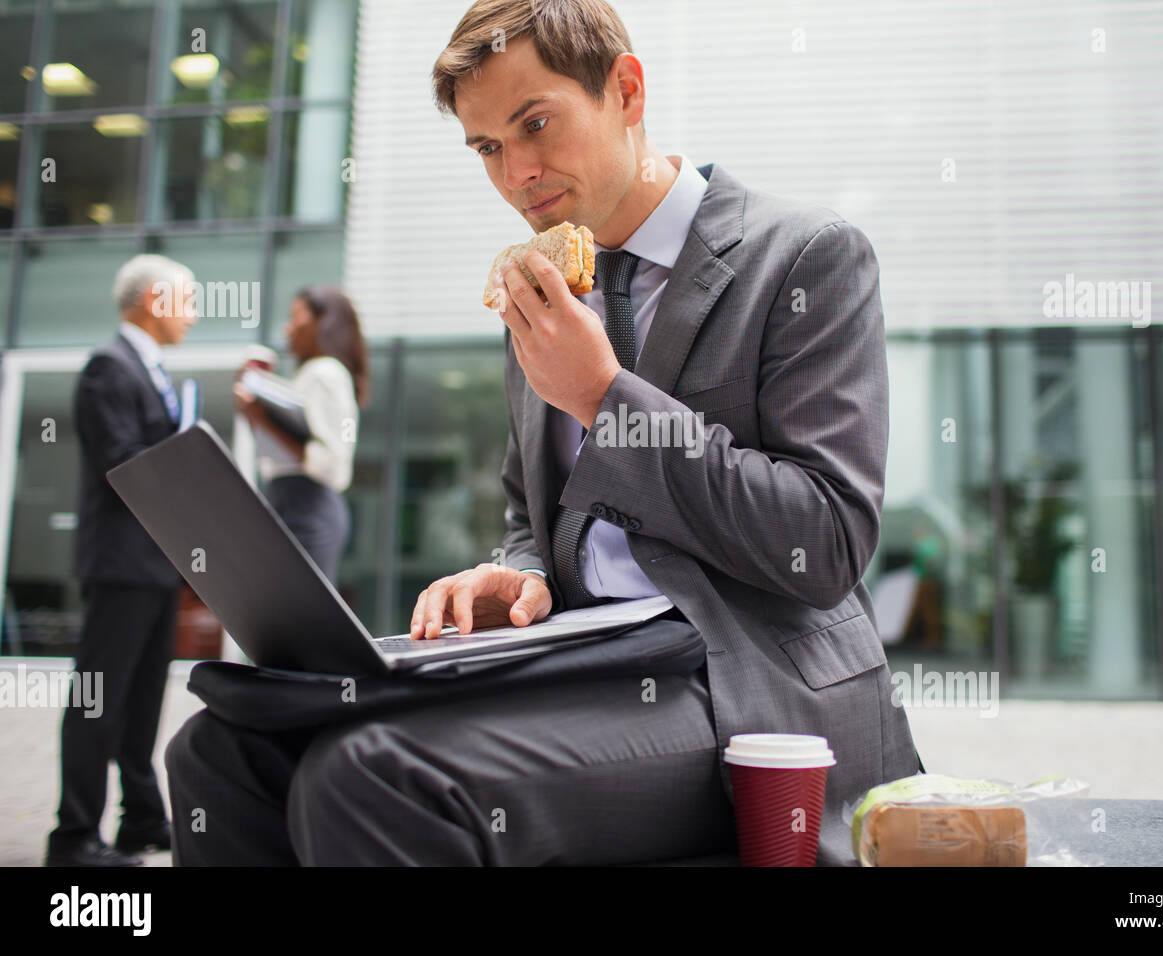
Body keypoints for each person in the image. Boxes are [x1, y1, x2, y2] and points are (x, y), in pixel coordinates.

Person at [164, 0, 921, 866]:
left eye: (535, 123)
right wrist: (518, 576)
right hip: (581, 660)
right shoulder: (537, 292)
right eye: (488, 147)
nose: (517, 171)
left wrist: (603, 396)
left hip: (744, 681)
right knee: (221, 752)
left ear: (625, 90)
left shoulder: (804, 256)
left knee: (372, 773)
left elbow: (824, 544)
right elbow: (535, 519)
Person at [46, 254, 198, 867]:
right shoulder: (109, 368)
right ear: (153, 300)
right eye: (186, 299)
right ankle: (74, 836)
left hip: (154, 563)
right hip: (121, 563)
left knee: (140, 702)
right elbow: (123, 461)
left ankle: (139, 819)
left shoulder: (151, 369)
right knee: (97, 699)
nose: (191, 313)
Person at [233, 286, 367, 585]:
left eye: (296, 317)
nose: (288, 327)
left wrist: (261, 417)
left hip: (308, 504)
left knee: (300, 617)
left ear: (323, 322)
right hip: (290, 501)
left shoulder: (326, 372)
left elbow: (332, 461)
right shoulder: (311, 374)